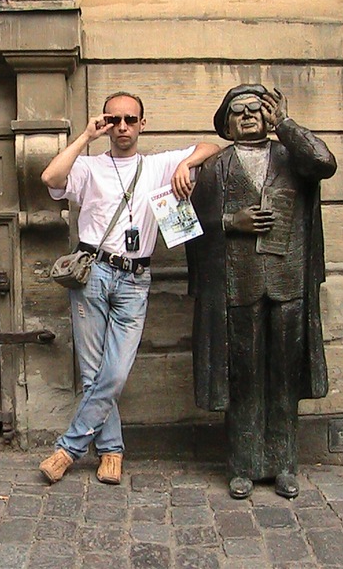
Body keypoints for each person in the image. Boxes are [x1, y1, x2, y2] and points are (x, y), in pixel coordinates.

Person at [39, 91, 219, 485]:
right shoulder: (89, 166)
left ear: (142, 124)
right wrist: (85, 136)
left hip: (135, 279)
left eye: (130, 119)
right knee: (93, 371)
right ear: (105, 123)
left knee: (115, 372)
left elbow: (213, 146)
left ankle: (68, 449)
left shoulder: (158, 165)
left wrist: (186, 164)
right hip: (92, 273)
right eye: (114, 119)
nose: (122, 127)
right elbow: (50, 178)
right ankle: (111, 452)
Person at [185, 83, 337, 499]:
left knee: (284, 378)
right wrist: (230, 221)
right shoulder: (216, 166)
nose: (248, 115)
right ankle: (243, 464)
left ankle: (284, 464)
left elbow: (324, 162)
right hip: (237, 287)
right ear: (226, 124)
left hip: (288, 283)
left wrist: (285, 123)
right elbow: (183, 224)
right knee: (243, 378)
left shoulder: (292, 156)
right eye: (238, 111)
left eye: (256, 108)